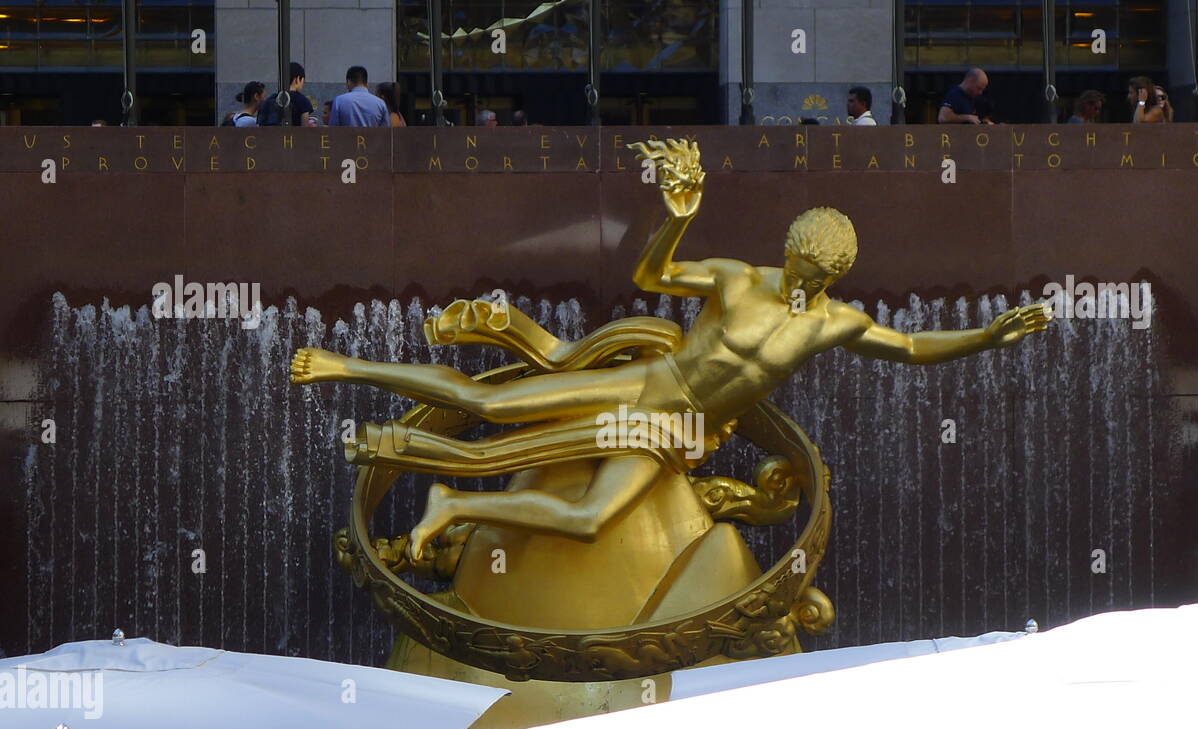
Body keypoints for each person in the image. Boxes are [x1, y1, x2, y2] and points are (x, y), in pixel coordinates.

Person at [290, 138, 1050, 553]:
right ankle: (344, 366)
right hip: (647, 385)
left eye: (814, 272)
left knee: (591, 520)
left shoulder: (834, 323)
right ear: (787, 251)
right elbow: (651, 271)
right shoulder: (737, 278)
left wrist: (987, 336)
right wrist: (678, 215)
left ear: (832, 273)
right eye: (796, 261)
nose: (798, 276)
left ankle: (451, 502)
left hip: (677, 434)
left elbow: (912, 348)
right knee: (493, 401)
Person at [258, 61, 313, 126]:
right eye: (303, 81)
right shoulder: (303, 101)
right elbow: (305, 129)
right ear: (297, 79)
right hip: (293, 136)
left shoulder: (271, 99)